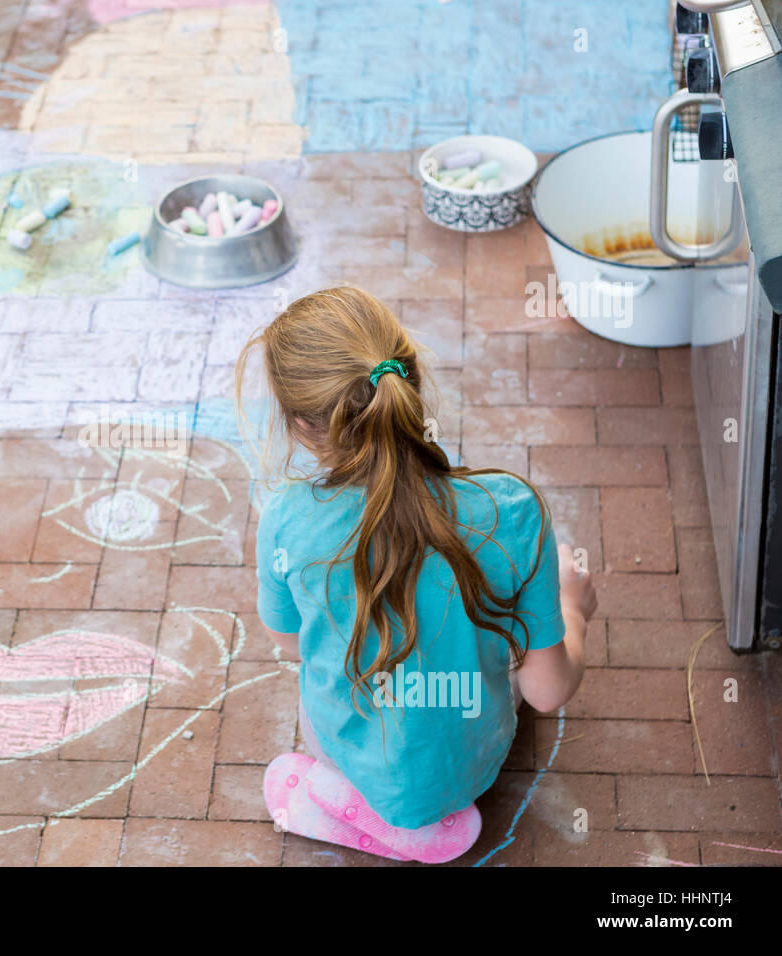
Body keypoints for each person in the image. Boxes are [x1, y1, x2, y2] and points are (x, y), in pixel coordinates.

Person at [236, 287, 597, 863]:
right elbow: (547, 691)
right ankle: (421, 823)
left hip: (346, 747)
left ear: (302, 427)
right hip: (473, 758)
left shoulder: (288, 518)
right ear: (410, 383)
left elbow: (290, 645)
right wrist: (571, 607)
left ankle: (359, 807)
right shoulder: (512, 512)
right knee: (507, 642)